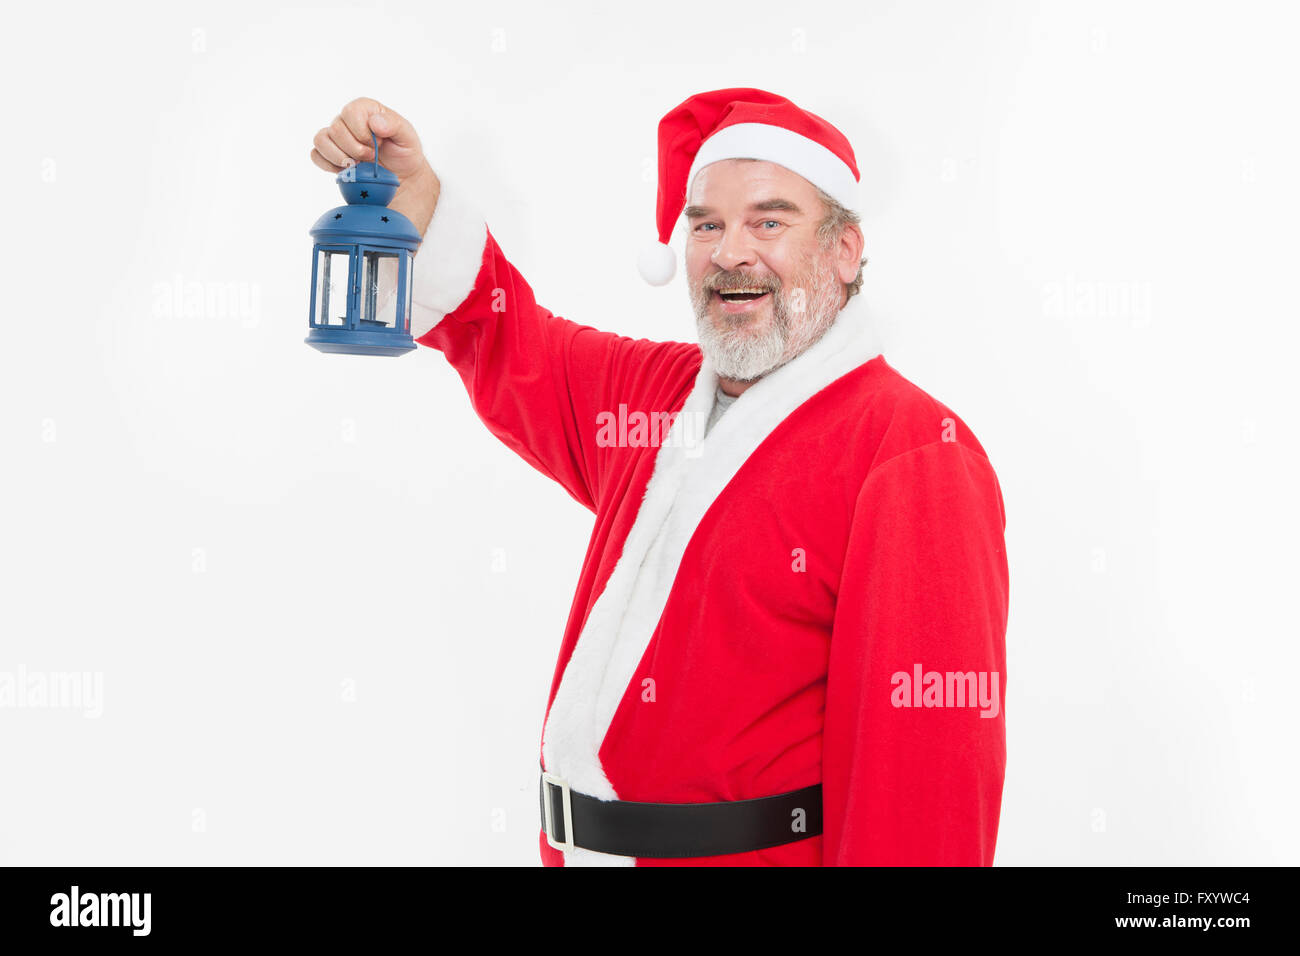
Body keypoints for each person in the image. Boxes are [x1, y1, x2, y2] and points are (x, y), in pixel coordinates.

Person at [309, 88, 1010, 867]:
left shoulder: (912, 452)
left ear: (846, 251)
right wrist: (419, 203)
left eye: (769, 220)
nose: (730, 253)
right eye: (705, 223)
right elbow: (511, 340)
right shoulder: (652, 399)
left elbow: (923, 791)